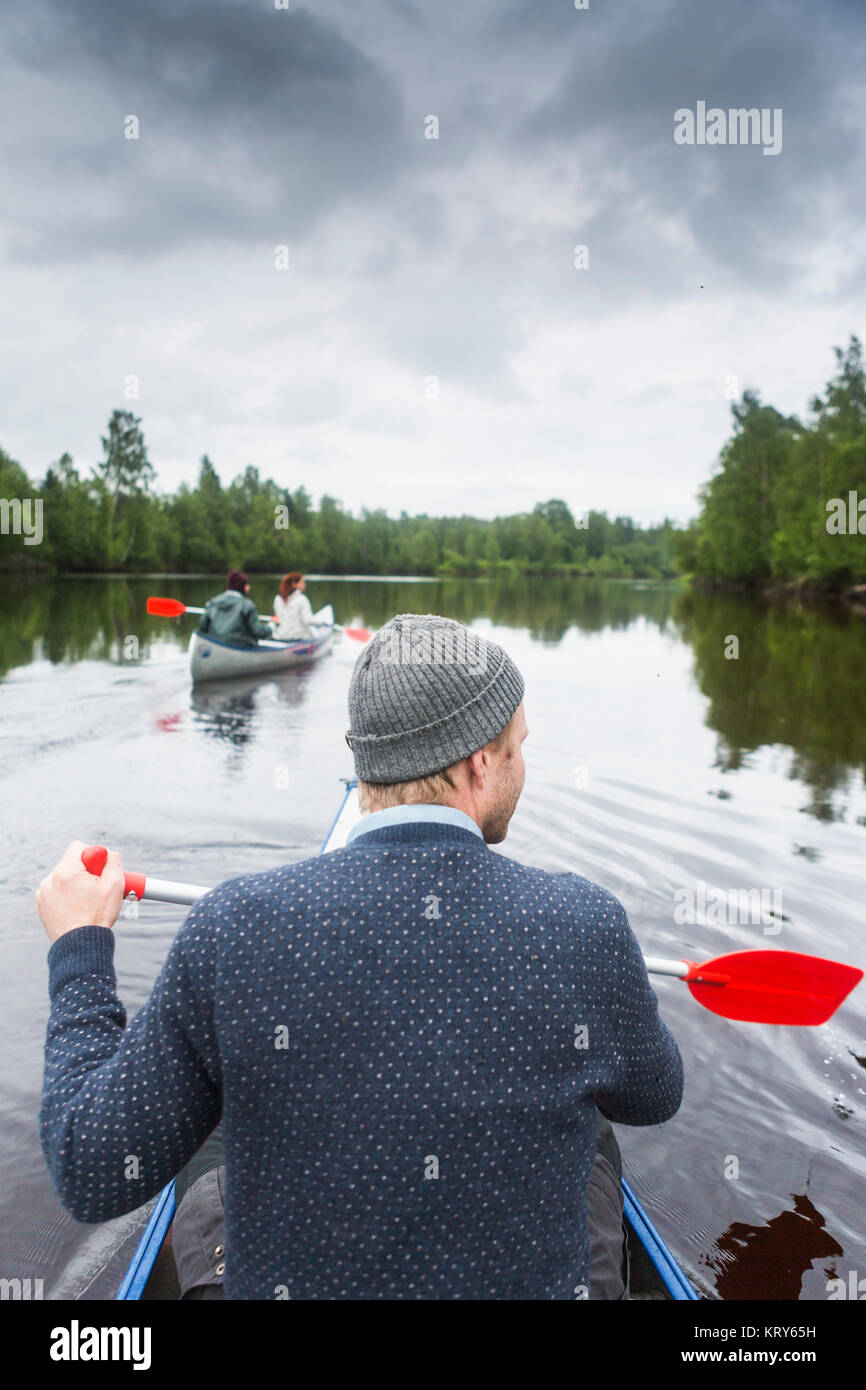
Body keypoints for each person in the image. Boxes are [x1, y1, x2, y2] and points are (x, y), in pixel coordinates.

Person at [37, 613, 683, 1300]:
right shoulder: (585, 924)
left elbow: (91, 1170)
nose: (524, 765)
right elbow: (655, 1095)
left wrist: (79, 948)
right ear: (480, 762)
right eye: (519, 746)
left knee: (211, 1121)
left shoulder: (232, 926)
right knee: (595, 1135)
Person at [197, 569, 274, 648]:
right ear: (242, 586)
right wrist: (271, 626)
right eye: (247, 584)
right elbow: (258, 632)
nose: (248, 587)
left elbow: (202, 627)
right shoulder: (247, 605)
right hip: (240, 647)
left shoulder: (212, 602)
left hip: (214, 645)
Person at [272, 572, 315, 640]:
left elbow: (278, 618)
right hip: (297, 638)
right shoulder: (302, 599)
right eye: (302, 582)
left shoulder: (277, 599)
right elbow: (307, 620)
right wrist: (322, 622)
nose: (305, 585)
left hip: (280, 636)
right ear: (294, 584)